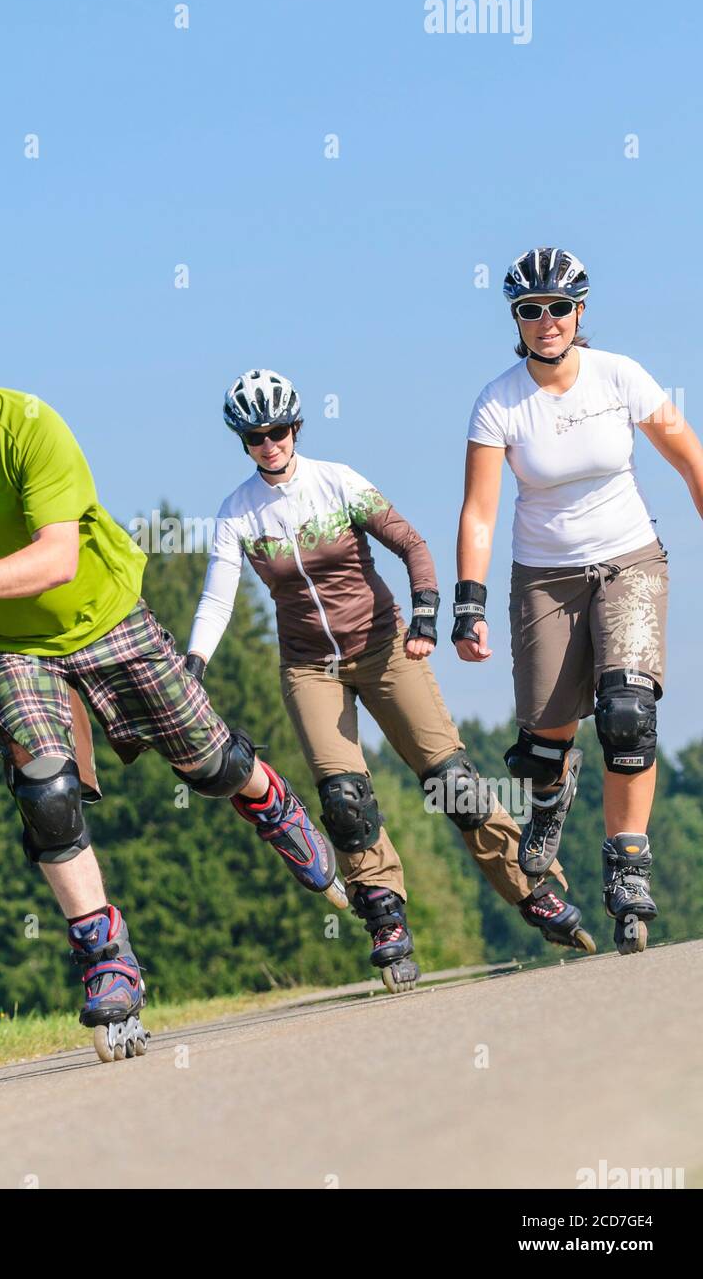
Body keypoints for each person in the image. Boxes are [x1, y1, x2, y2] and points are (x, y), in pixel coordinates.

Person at [0, 270, 344, 1061]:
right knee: (44, 791)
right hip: (4, 645)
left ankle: (272, 802)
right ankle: (106, 958)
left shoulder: (28, 424)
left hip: (101, 612)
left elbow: (55, 557)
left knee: (209, 764)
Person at [185, 369, 594, 993]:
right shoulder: (237, 512)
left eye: (276, 431)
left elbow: (410, 543)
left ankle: (530, 888)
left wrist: (426, 610)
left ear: (296, 428)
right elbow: (218, 599)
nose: (268, 444)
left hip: (383, 648)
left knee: (448, 782)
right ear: (242, 441)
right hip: (308, 667)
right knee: (345, 801)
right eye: (253, 436)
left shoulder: (338, 482)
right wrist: (193, 666)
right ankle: (386, 921)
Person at [455, 246, 703, 952]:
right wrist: (469, 604)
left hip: (629, 558)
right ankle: (549, 795)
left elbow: (690, 457)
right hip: (544, 575)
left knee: (628, 713)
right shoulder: (498, 401)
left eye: (558, 308)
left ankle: (627, 864)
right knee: (544, 743)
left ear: (579, 312)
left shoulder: (619, 376)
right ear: (517, 319)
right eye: (531, 311)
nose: (546, 321)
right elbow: (479, 512)